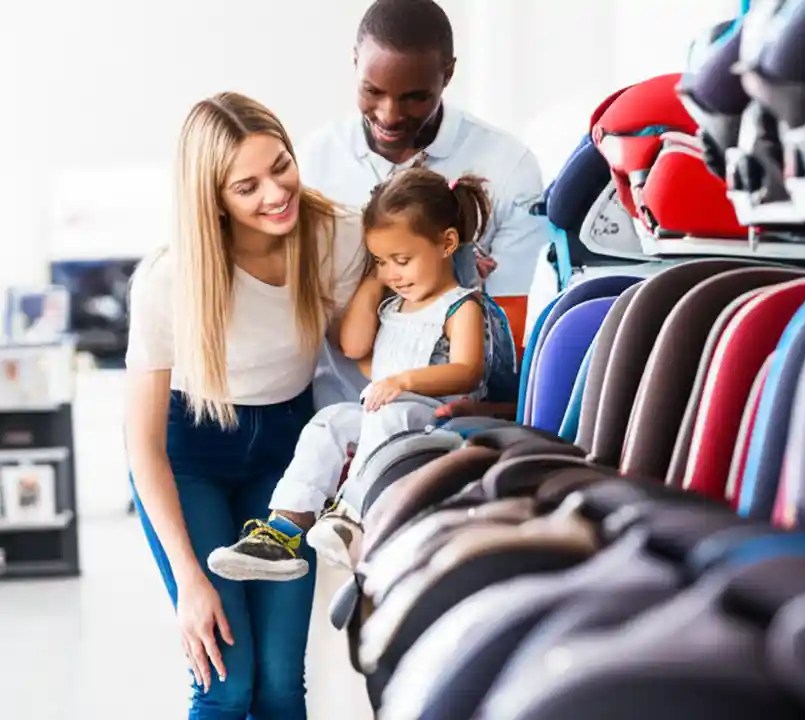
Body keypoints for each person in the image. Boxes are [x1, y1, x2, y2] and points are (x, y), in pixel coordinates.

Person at [123, 92, 367, 719]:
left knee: (282, 684)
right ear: (214, 197)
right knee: (226, 684)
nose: (275, 193)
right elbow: (142, 445)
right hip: (189, 458)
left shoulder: (335, 234)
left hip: (286, 456)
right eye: (247, 185)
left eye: (281, 165)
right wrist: (187, 582)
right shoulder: (168, 280)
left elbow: (363, 343)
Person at [206, 166, 492, 581]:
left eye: (402, 260)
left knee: (387, 415)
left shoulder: (459, 306)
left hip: (437, 420)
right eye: (381, 261)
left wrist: (402, 381)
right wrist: (375, 283)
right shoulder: (394, 306)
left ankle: (350, 516)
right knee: (329, 421)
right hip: (385, 415)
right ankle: (283, 531)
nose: (393, 272)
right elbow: (355, 347)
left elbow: (467, 371)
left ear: (447, 243)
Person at [299, 0, 554, 414]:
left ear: (448, 74)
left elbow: (513, 331)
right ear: (354, 63)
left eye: (415, 98)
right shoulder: (313, 162)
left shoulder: (507, 167)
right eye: (372, 91)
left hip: (449, 418)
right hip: (335, 408)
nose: (389, 115)